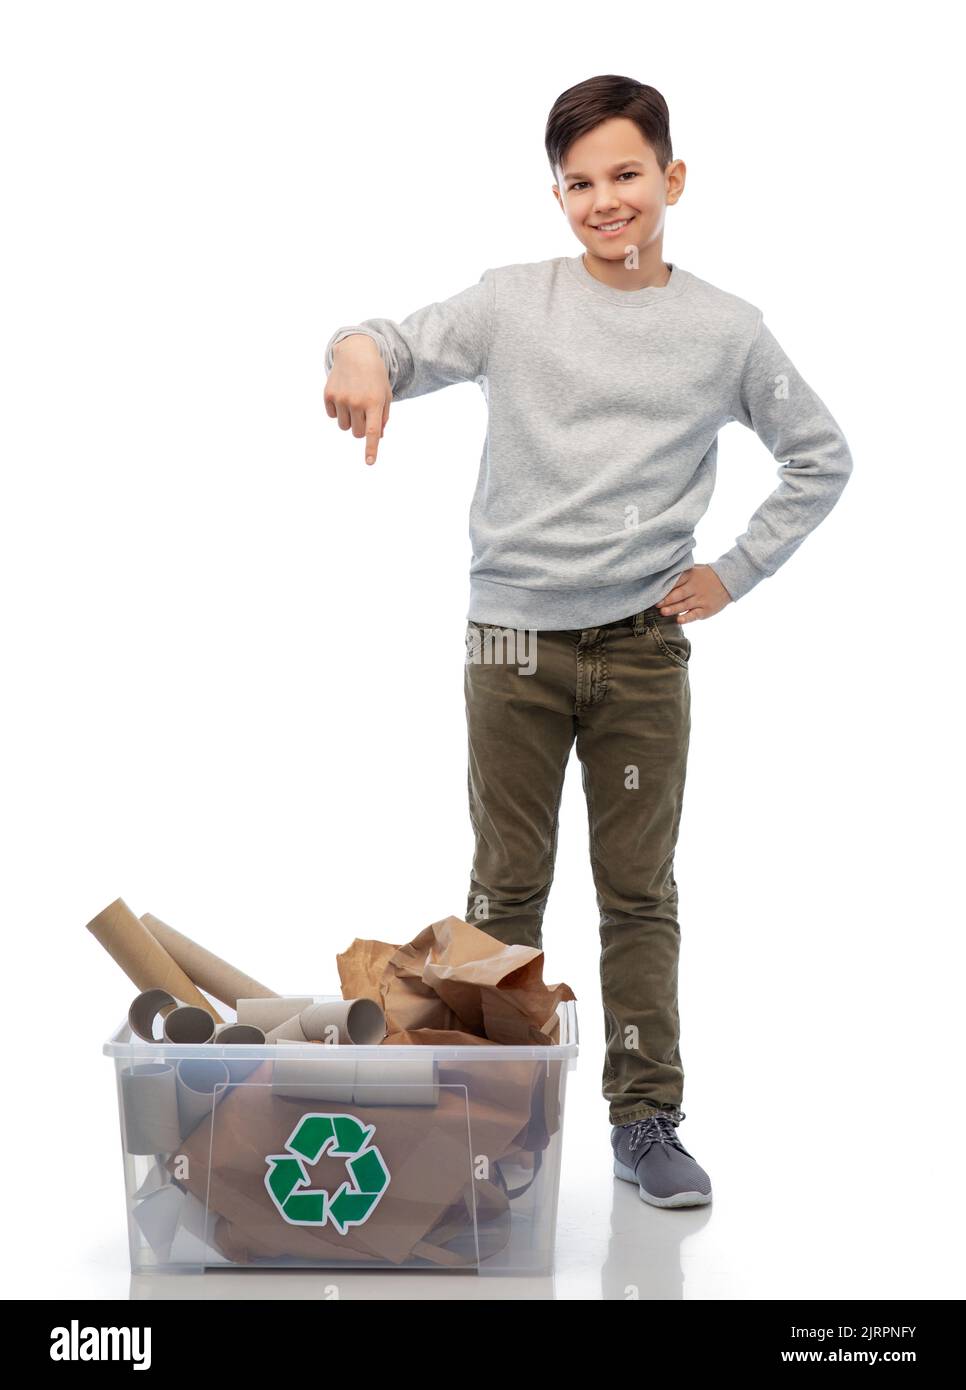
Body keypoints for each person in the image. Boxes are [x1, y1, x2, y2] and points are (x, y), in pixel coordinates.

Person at [323, 74, 853, 1209]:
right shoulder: (518, 303)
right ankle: (493, 1125)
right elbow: (387, 343)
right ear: (556, 194)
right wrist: (357, 354)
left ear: (671, 179)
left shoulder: (724, 330)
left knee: (638, 890)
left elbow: (821, 455)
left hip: (640, 653)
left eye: (626, 176)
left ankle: (645, 1117)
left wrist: (735, 570)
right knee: (505, 888)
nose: (605, 201)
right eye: (579, 183)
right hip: (512, 645)